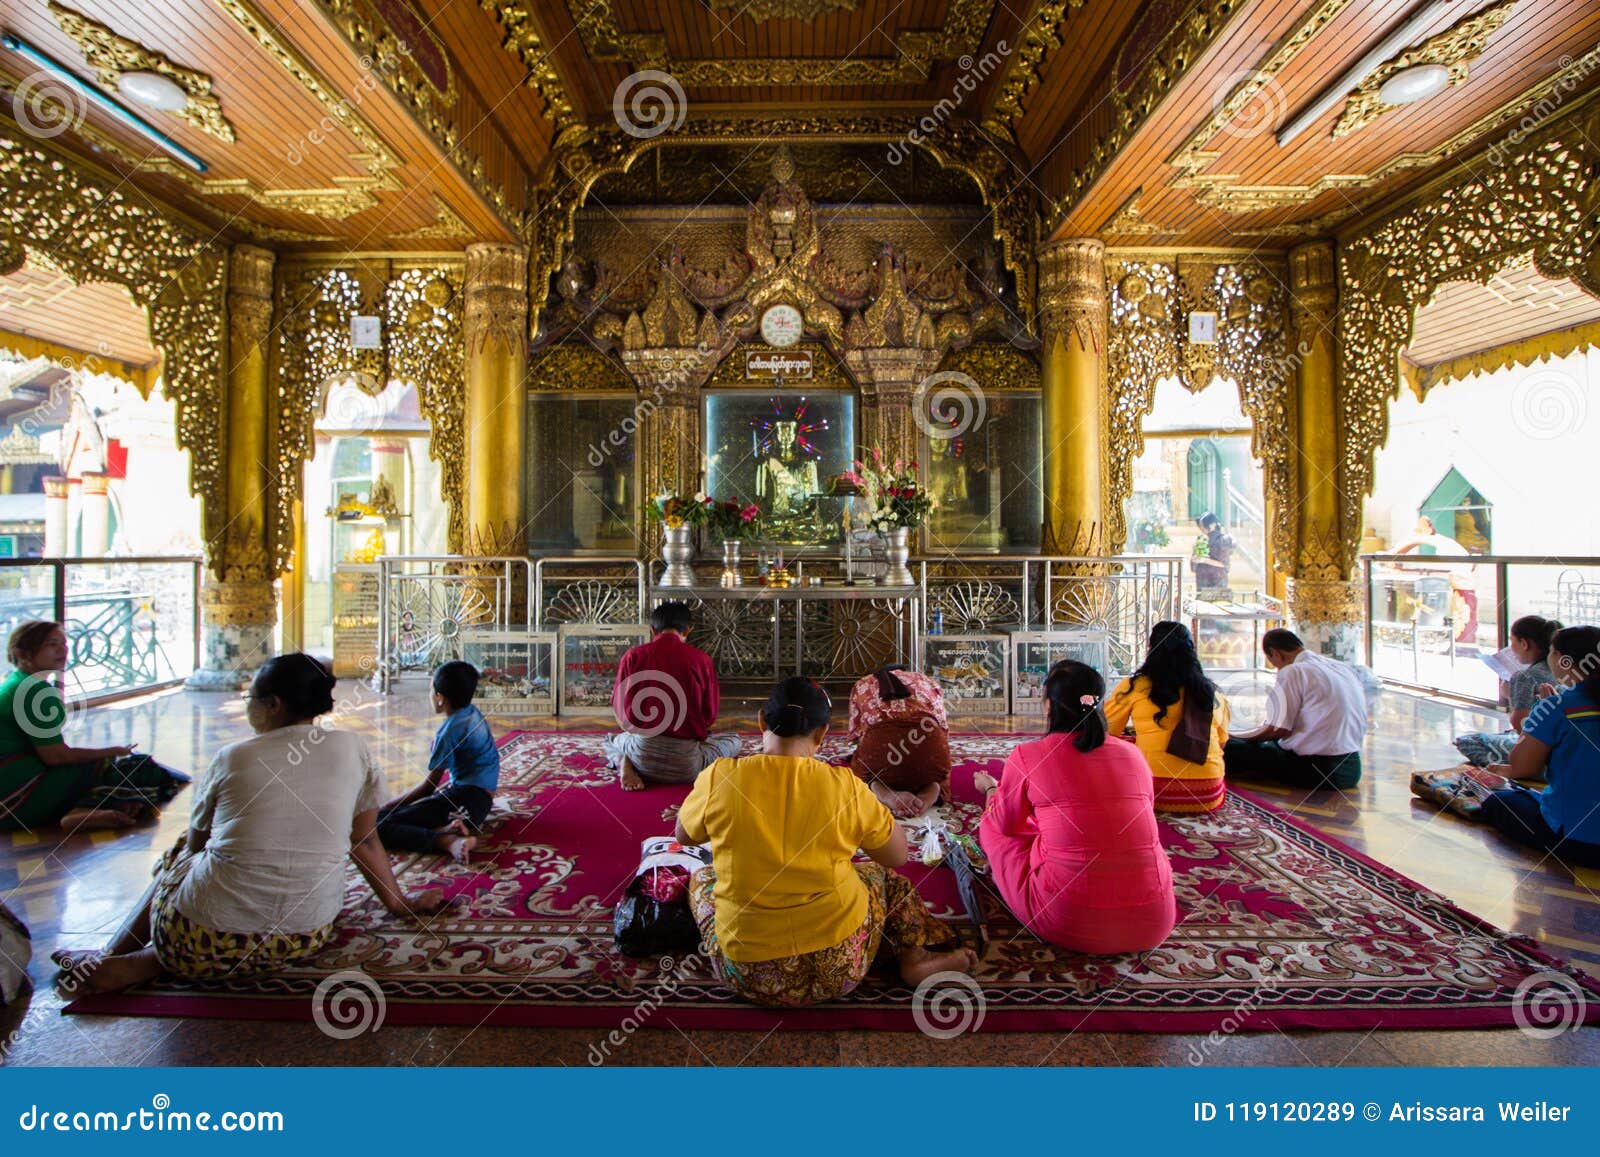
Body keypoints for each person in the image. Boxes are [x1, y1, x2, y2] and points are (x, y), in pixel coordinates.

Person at [51, 654, 447, 995]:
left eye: (249, 699)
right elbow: (364, 840)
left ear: (273, 704)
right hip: (304, 935)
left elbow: (193, 850)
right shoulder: (354, 748)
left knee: (176, 852)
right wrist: (400, 905)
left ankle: (118, 956)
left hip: (196, 939)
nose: (246, 706)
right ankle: (146, 961)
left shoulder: (233, 757)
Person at [677, 676, 976, 1007]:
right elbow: (896, 856)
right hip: (839, 967)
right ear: (821, 734)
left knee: (701, 878)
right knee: (884, 880)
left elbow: (684, 835)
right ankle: (914, 958)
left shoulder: (721, 776)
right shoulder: (844, 786)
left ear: (761, 720)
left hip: (746, 972)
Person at [974, 660, 1177, 954]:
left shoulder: (1028, 755)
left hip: (1069, 920)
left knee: (994, 828)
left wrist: (993, 790)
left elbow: (1007, 825)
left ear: (1048, 705)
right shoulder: (1132, 754)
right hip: (1155, 921)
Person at [0, 620, 186, 832]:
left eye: (64, 643)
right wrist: (111, 751)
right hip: (16, 799)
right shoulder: (34, 691)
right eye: (52, 644)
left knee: (113, 767)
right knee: (138, 769)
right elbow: (56, 757)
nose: (63, 649)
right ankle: (82, 811)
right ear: (22, 653)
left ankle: (84, 807)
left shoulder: (16, 681)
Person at [1479, 626, 1600, 868]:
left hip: (1578, 841)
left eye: (1552, 653)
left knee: (1498, 802)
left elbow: (1522, 767)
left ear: (1562, 660)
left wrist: (1541, 713)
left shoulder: (1557, 706)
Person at [605, 601, 740, 791]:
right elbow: (708, 716)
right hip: (687, 765)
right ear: (688, 630)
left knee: (610, 740)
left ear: (653, 629)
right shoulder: (701, 660)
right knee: (734, 740)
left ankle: (623, 762)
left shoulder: (632, 655)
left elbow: (619, 706)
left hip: (641, 755)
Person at [377, 660, 499, 863]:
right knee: (407, 814)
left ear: (440, 698)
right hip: (480, 804)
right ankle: (456, 831)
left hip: (464, 799)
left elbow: (428, 787)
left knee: (379, 824)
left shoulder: (448, 733)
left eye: (431, 690)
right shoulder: (472, 713)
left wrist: (388, 806)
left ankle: (444, 840)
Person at [1103, 621, 1231, 813]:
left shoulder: (1135, 686)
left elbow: (1107, 732)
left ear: (1152, 650)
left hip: (1152, 791)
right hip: (1207, 793)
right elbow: (1221, 742)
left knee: (1122, 744)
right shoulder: (1211, 692)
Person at [1223, 628, 1368, 789]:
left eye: (1274, 663)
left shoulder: (1293, 671)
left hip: (1319, 768)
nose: (1277, 669)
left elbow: (1278, 730)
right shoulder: (1341, 667)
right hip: (1352, 769)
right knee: (1260, 747)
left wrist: (1236, 736)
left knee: (1228, 747)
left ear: (1275, 653)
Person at [1454, 615, 1561, 767]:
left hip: (1542, 749)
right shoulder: (1561, 669)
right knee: (1505, 735)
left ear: (1524, 644)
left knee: (1468, 742)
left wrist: (1510, 696)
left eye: (1512, 641)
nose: (1511, 648)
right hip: (1563, 744)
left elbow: (1521, 726)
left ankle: (1522, 768)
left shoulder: (1525, 676)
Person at [846, 664, 951, 818]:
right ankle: (934, 787)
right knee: (941, 769)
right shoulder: (927, 681)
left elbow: (855, 734)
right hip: (929, 740)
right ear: (905, 671)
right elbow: (943, 729)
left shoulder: (863, 683)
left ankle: (878, 788)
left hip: (881, 749)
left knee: (857, 770)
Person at [1394, 516, 1478, 644]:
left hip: (1458, 587)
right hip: (1411, 606)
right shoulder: (1416, 539)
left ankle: (1461, 640)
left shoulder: (1445, 545)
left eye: (1425, 524)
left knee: (1461, 614)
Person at [1191, 513, 1234, 592]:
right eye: (1201, 526)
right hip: (1202, 580)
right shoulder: (1201, 539)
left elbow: (1224, 564)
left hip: (1217, 581)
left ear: (1212, 525)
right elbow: (1193, 565)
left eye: (1203, 526)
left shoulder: (1223, 539)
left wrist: (1205, 560)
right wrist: (1194, 559)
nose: (1202, 528)